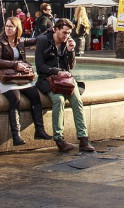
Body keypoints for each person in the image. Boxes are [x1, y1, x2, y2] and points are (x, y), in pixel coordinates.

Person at [35, 18, 96, 153]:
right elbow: (39, 66)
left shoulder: (67, 42)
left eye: (68, 33)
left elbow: (70, 66)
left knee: (77, 101)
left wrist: (70, 51)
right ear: (56, 29)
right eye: (64, 32)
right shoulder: (43, 41)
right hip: (48, 80)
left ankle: (83, 139)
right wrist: (57, 71)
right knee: (59, 100)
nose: (66, 36)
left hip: (66, 81)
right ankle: (59, 139)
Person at [0, 16, 50, 146]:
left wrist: (49, 31)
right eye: (6, 26)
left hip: (19, 76)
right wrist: (15, 64)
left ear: (17, 28)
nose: (8, 29)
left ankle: (39, 130)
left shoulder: (20, 41)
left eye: (11, 26)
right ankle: (16, 135)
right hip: (5, 77)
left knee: (35, 96)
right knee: (15, 98)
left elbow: (36, 40)